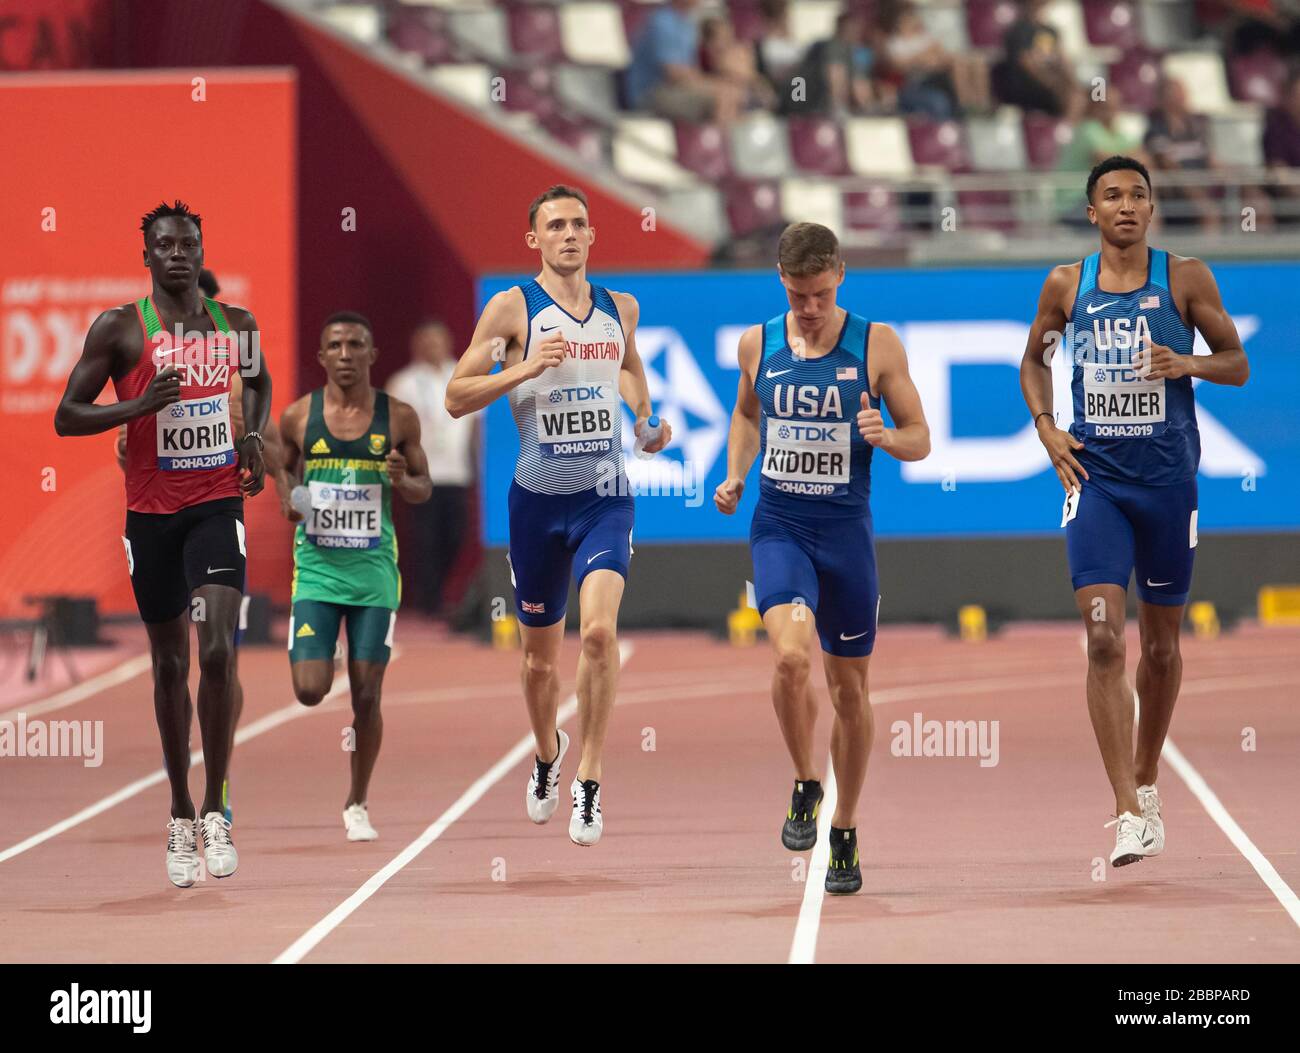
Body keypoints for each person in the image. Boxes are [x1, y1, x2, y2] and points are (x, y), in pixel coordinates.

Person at [1019, 156, 1249, 867]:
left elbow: (1236, 361)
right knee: (1104, 642)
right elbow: (1034, 361)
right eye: (1112, 195)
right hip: (1098, 482)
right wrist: (1047, 425)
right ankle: (1125, 808)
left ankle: (1148, 777)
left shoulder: (1185, 278)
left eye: (1139, 195)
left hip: (1169, 484)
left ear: (1151, 209)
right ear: (1092, 212)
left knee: (1161, 648)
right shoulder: (1067, 285)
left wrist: (1188, 364)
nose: (1127, 204)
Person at [445, 184, 671, 847]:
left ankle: (590, 780)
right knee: (540, 664)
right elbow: (458, 395)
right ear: (534, 240)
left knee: (599, 634)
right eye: (555, 225)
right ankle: (548, 753)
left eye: (578, 223)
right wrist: (521, 371)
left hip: (605, 496)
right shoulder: (512, 309)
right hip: (536, 505)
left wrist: (643, 416)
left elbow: (628, 370)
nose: (569, 234)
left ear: (592, 236)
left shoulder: (619, 307)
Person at [55, 201, 271, 887]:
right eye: (165, 244)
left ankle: (215, 808)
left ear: (203, 251)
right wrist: (138, 407)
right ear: (145, 255)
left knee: (216, 647)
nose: (178, 253)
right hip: (150, 514)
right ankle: (178, 810)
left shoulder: (236, 325)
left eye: (189, 243)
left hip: (216, 504)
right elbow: (68, 414)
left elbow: (258, 381)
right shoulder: (120, 328)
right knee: (169, 664)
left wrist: (253, 436)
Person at [714, 222, 930, 894]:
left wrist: (886, 436)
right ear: (782, 280)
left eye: (819, 293)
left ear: (839, 276)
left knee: (850, 691)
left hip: (846, 535)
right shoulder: (761, 340)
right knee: (789, 656)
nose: (808, 307)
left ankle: (846, 825)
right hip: (779, 524)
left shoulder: (876, 343)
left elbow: (921, 438)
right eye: (797, 294)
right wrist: (735, 473)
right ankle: (807, 779)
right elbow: (747, 415)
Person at [277, 312, 432, 841]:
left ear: (372, 355)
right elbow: (282, 473)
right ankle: (323, 649)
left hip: (373, 577)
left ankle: (357, 801)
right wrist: (292, 501)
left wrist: (402, 478)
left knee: (366, 694)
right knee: (309, 690)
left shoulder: (401, 418)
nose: (345, 354)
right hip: (318, 573)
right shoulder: (299, 417)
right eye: (335, 346)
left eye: (355, 345)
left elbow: (423, 488)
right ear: (322, 357)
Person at [386, 320, 476, 617]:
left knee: (455, 534)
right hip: (421, 471)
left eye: (437, 341)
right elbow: (391, 425)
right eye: (427, 342)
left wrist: (477, 465)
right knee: (425, 538)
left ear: (448, 342)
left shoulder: (464, 374)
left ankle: (439, 590)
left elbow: (476, 424)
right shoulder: (404, 382)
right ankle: (429, 599)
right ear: (417, 346)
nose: (433, 347)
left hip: (456, 470)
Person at [625, 0, 747, 124]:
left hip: (676, 88)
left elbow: (691, 71)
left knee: (734, 95)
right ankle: (711, 140)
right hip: (651, 92)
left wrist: (721, 86)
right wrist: (715, 87)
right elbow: (674, 74)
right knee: (717, 100)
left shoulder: (687, 25)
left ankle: (714, 141)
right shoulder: (662, 21)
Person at [994, 0, 1077, 117]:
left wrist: (1071, 80)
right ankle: (1064, 129)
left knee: (1094, 92)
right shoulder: (1019, 30)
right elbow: (1026, 63)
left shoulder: (1051, 31)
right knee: (1072, 97)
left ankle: (1066, 128)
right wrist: (1052, 83)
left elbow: (1063, 60)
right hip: (1027, 88)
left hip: (1051, 84)